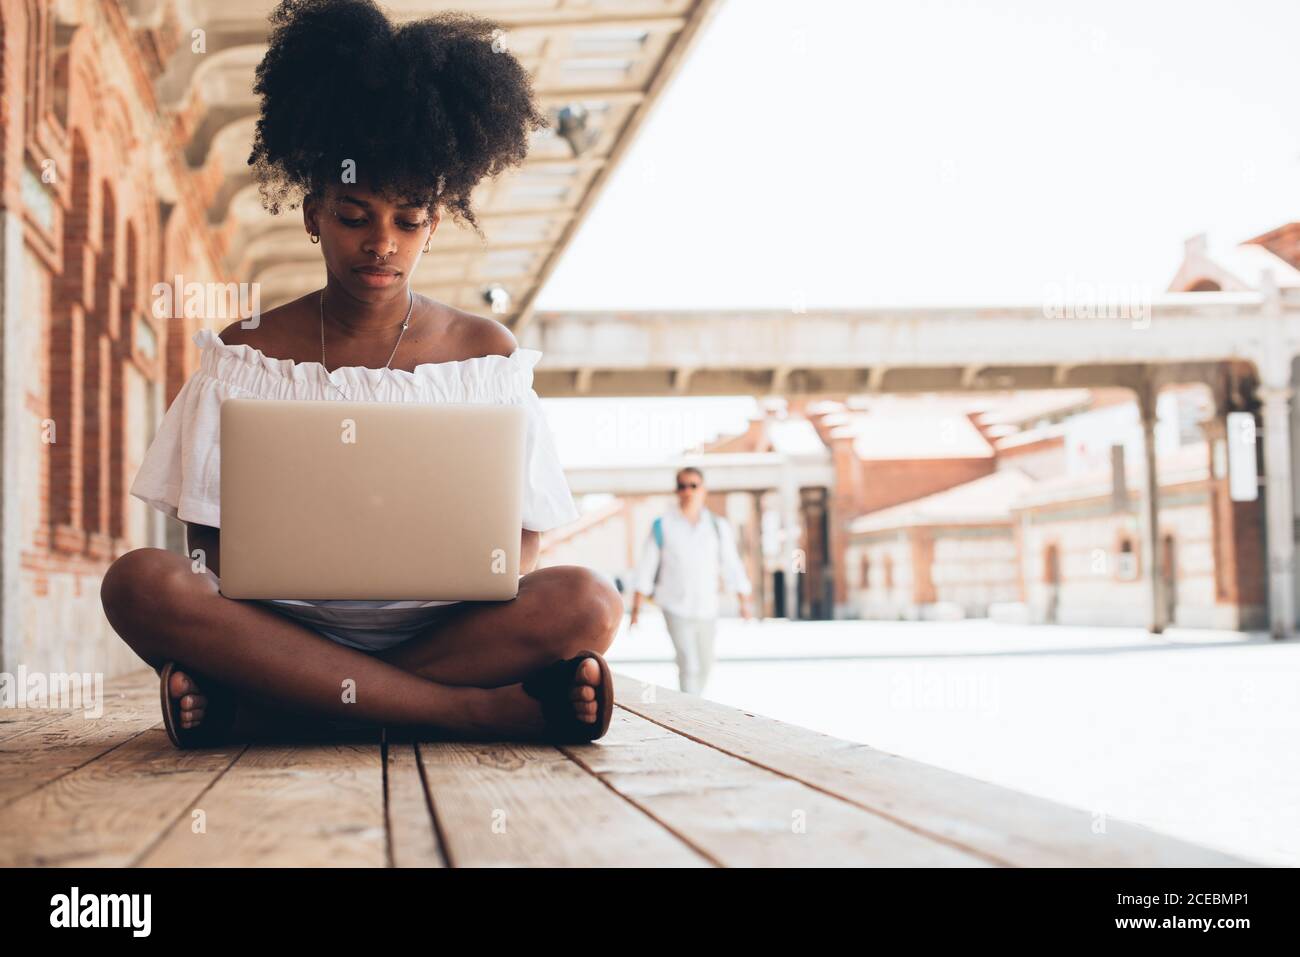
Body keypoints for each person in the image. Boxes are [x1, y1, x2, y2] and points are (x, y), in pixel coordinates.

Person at [99, 0, 623, 748]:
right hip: (277, 625)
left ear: (433, 227)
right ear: (312, 213)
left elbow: (524, 539)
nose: (382, 243)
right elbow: (203, 548)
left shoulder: (485, 353)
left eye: (408, 220)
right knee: (138, 582)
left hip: (448, 629)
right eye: (354, 214)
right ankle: (472, 712)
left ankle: (276, 704)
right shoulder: (245, 351)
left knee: (589, 601)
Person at [629, 467, 754, 694]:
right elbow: (646, 568)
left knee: (705, 665)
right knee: (688, 665)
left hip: (707, 608)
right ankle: (690, 717)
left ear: (703, 490)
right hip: (675, 606)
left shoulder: (718, 526)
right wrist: (635, 610)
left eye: (693, 485)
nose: (688, 491)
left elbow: (732, 565)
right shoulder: (663, 525)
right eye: (682, 486)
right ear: (677, 490)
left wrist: (743, 601)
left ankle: (693, 707)